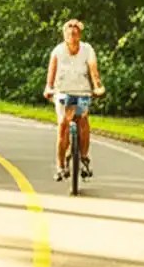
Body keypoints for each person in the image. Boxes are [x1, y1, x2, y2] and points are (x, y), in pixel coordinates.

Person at [43, 19, 104, 181]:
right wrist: (48, 88)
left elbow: (93, 70)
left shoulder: (87, 49)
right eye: (69, 32)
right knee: (63, 123)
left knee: (83, 120)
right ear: (64, 35)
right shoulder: (57, 51)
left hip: (82, 93)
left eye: (75, 32)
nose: (72, 35)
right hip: (63, 93)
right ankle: (60, 165)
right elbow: (51, 73)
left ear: (80, 35)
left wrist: (98, 86)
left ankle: (84, 158)